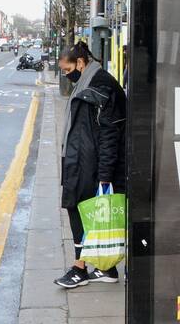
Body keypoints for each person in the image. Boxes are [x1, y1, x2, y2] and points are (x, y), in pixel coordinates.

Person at [54, 43, 127, 289]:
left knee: (78, 210)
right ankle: (107, 268)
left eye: (67, 69)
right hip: (81, 160)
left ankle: (80, 269)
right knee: (85, 212)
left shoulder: (101, 86)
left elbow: (111, 134)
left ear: (81, 63)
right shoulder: (87, 82)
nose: (66, 75)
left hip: (92, 165)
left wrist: (105, 176)